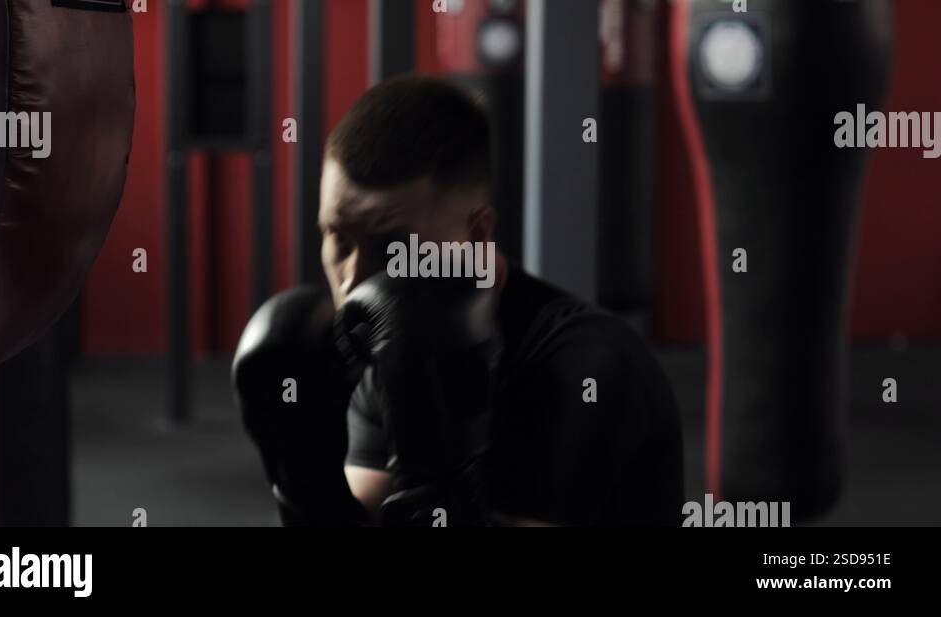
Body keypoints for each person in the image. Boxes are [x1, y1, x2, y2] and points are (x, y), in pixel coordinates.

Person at [232, 75, 684, 526]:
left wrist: (435, 470)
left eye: (392, 249)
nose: (352, 281)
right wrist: (303, 480)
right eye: (339, 238)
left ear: (475, 236)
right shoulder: (395, 341)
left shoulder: (586, 368)